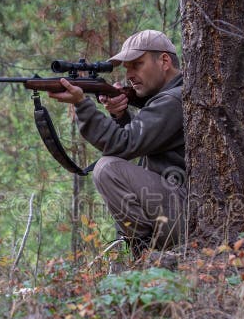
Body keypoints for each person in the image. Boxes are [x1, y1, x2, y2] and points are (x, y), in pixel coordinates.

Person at [47, 30, 186, 256]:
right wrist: (120, 115)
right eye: (127, 68)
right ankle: (149, 256)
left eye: (137, 65)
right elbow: (139, 144)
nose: (129, 75)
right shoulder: (174, 96)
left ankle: (145, 255)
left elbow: (123, 144)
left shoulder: (173, 99)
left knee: (106, 169)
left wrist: (82, 105)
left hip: (186, 213)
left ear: (164, 61)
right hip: (179, 207)